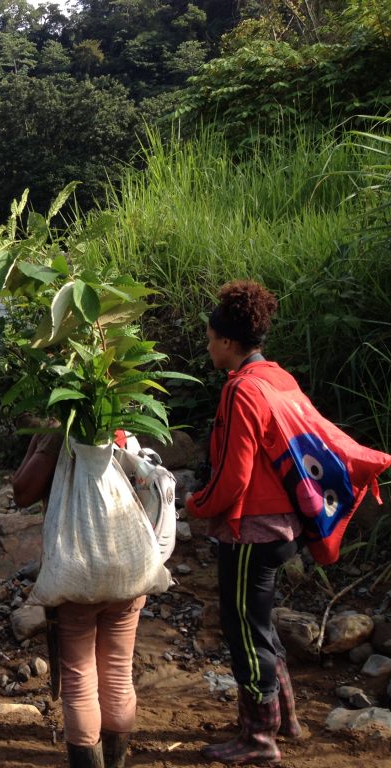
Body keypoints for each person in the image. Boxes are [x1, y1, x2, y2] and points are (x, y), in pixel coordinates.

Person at [184, 280, 304, 765]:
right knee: (262, 625)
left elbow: (233, 480)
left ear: (229, 343)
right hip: (283, 527)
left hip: (250, 531)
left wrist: (194, 506)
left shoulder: (241, 391)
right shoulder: (279, 378)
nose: (208, 347)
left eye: (211, 339)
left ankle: (260, 738)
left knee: (244, 632)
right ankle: (285, 717)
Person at [13, 428, 144, 768]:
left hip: (76, 573)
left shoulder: (60, 433)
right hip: (127, 569)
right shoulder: (124, 430)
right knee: (118, 671)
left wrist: (36, 441)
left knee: (79, 677)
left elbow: (22, 492)